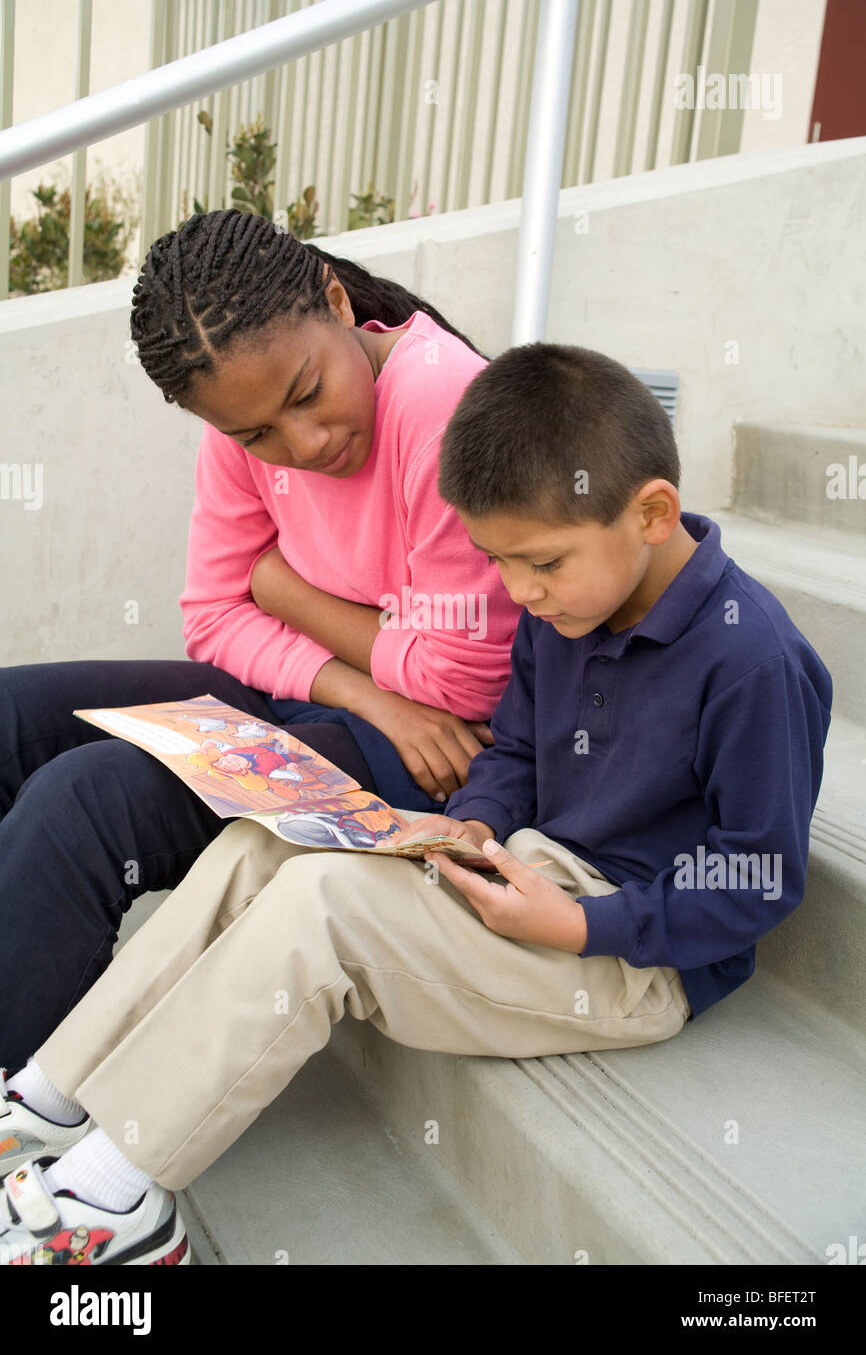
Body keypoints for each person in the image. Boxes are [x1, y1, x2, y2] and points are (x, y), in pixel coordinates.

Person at [0, 342, 832, 1267]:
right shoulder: (568, 608)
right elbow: (514, 746)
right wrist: (471, 820)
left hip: (631, 959)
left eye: (542, 563)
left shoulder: (753, 663)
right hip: (521, 868)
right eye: (499, 562)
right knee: (259, 847)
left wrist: (579, 926)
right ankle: (46, 1098)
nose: (518, 593)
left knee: (324, 905)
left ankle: (118, 1203)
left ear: (652, 511)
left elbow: (759, 884)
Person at [0, 210, 521, 1075]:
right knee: (12, 713)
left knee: (89, 801)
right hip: (345, 703)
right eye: (256, 435)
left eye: (308, 394)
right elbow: (212, 613)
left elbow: (459, 681)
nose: (303, 444)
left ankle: (26, 1121)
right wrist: (364, 686)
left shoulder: (440, 403)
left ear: (337, 299)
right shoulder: (241, 411)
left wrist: (280, 588)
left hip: (423, 755)